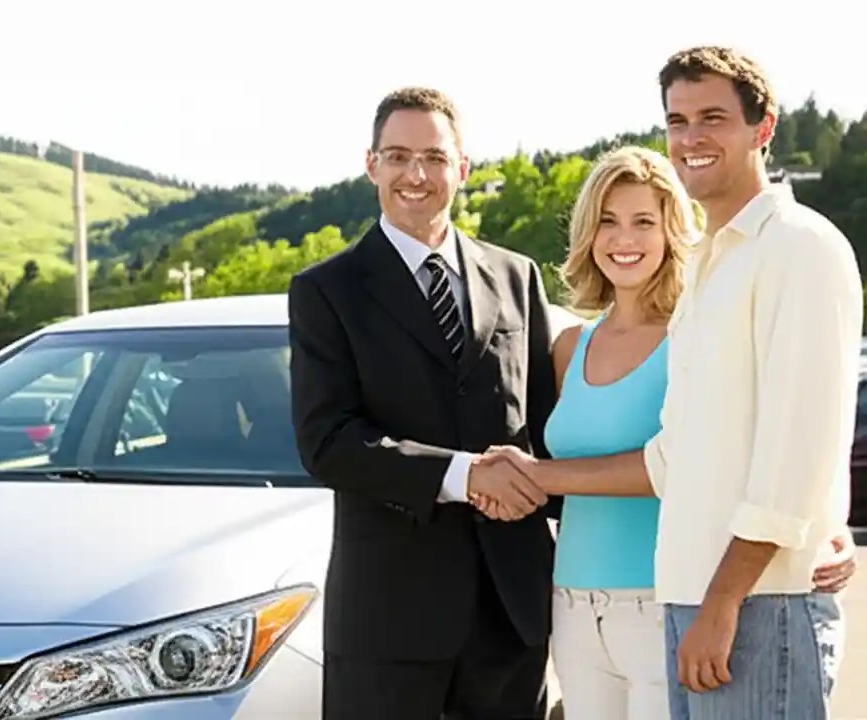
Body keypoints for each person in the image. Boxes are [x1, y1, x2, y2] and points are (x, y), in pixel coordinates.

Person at [482, 46, 861, 720]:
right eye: (677, 121)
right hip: (689, 598)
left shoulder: (800, 246)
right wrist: (526, 475)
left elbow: (794, 458)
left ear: (763, 127)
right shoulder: (714, 271)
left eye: (713, 117)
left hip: (749, 603)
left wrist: (723, 602)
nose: (691, 139)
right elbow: (674, 457)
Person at [288, 86, 557, 720]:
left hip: (511, 615)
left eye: (434, 157)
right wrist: (466, 476)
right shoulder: (326, 292)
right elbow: (328, 443)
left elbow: (550, 432)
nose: (416, 174)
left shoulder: (518, 277)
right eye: (399, 156)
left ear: (462, 168)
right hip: (390, 623)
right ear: (371, 164)